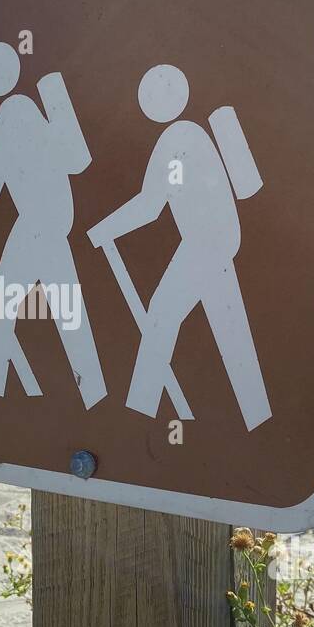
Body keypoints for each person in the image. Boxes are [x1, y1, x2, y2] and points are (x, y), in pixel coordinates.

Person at [86, 63, 271, 431]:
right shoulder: (193, 134)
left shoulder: (176, 140)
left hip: (204, 244)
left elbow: (151, 204)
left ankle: (139, 410)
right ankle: (259, 417)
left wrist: (103, 230)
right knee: (230, 328)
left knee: (160, 315)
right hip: (218, 241)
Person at [0, 41, 107, 409]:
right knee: (49, 312)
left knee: (8, 310)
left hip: (36, 226)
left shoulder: (14, 110)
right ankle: (91, 394)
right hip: (48, 226)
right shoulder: (25, 111)